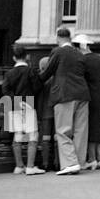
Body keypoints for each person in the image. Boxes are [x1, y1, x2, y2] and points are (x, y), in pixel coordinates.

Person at [41, 26, 89, 176]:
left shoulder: (58, 52)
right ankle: (80, 162)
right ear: (70, 37)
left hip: (64, 94)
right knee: (80, 131)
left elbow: (47, 72)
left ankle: (70, 163)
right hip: (83, 93)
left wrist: (36, 79)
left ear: (58, 38)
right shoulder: (79, 53)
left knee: (63, 130)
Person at [3, 43, 41, 175]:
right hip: (29, 103)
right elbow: (37, 88)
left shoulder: (9, 73)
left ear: (14, 58)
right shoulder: (31, 71)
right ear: (27, 56)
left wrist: (16, 100)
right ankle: (30, 166)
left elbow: (5, 90)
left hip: (14, 105)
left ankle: (19, 166)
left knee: (17, 135)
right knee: (33, 135)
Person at [77, 36, 100, 170]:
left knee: (88, 127)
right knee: (98, 126)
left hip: (87, 96)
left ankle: (92, 159)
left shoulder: (82, 60)